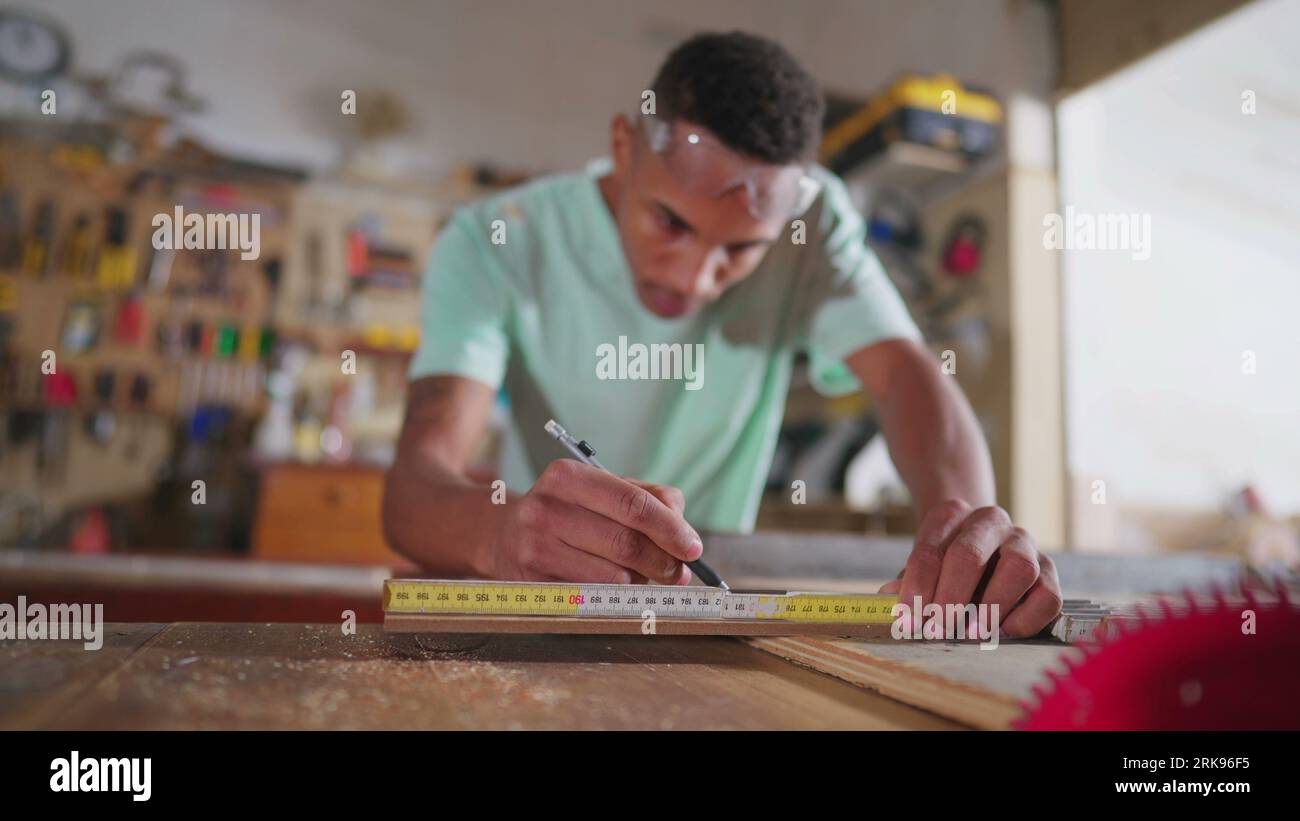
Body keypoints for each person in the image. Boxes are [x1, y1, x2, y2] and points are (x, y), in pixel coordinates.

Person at [383, 31, 1062, 637]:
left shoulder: (813, 220)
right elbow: (415, 486)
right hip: (548, 586)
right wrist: (500, 533)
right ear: (623, 148)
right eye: (670, 222)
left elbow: (906, 375)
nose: (696, 277)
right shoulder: (493, 240)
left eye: (741, 250)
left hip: (717, 594)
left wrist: (966, 530)